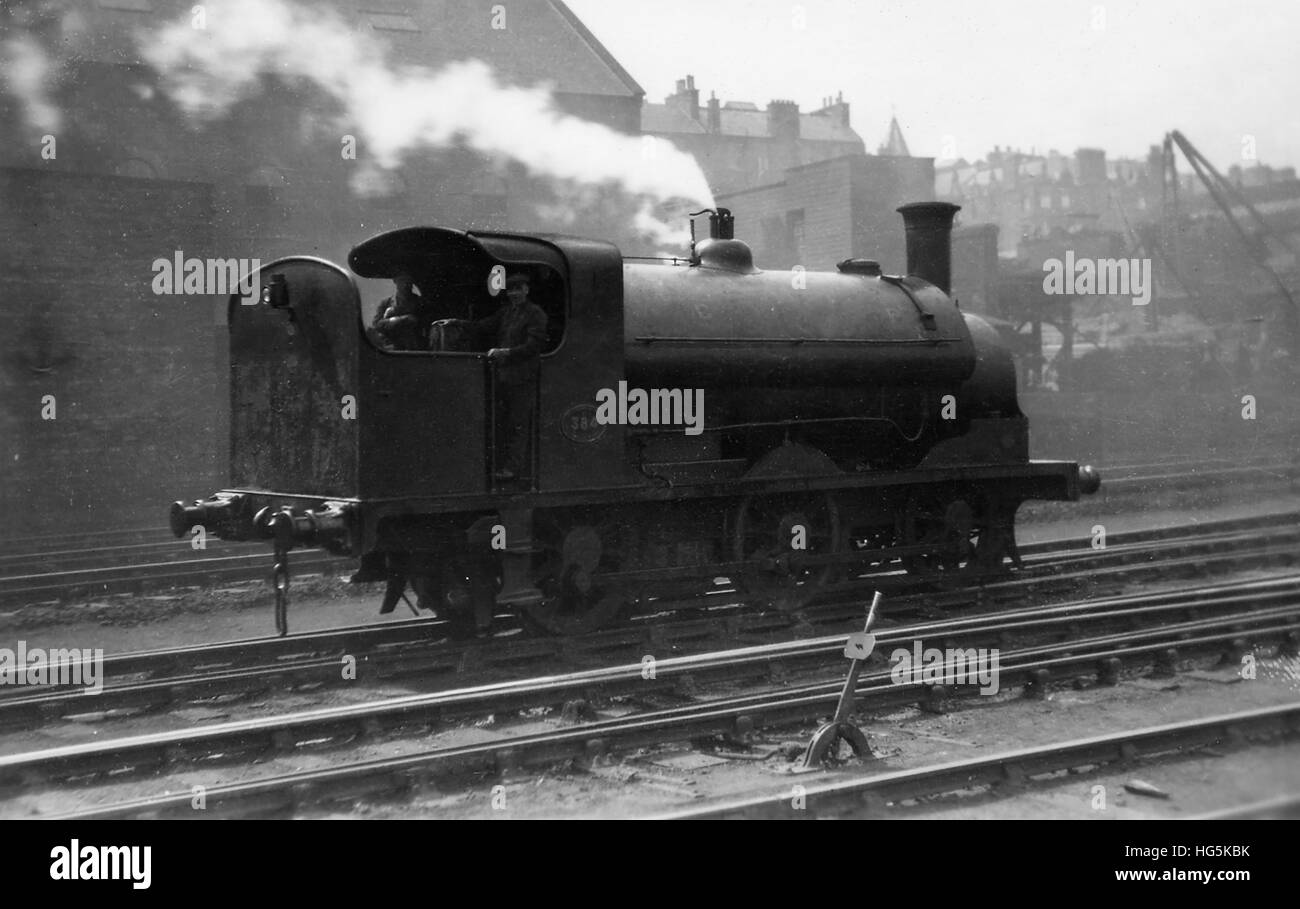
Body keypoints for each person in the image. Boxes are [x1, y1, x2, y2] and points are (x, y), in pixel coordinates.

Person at [476, 270, 548, 481]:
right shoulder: (506, 312)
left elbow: (534, 345)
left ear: (526, 290)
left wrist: (506, 353)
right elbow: (485, 325)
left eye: (518, 289)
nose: (514, 293)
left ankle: (514, 469)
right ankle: (502, 465)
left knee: (518, 423)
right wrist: (460, 324)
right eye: (510, 290)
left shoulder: (535, 313)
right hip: (504, 376)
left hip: (523, 377)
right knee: (503, 422)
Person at [371, 272, 432, 351]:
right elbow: (376, 325)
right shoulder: (386, 303)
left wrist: (416, 320)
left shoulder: (421, 303)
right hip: (391, 351)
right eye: (402, 280)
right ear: (395, 281)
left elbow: (428, 324)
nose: (405, 284)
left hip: (415, 349)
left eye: (408, 281)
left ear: (412, 282)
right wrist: (398, 320)